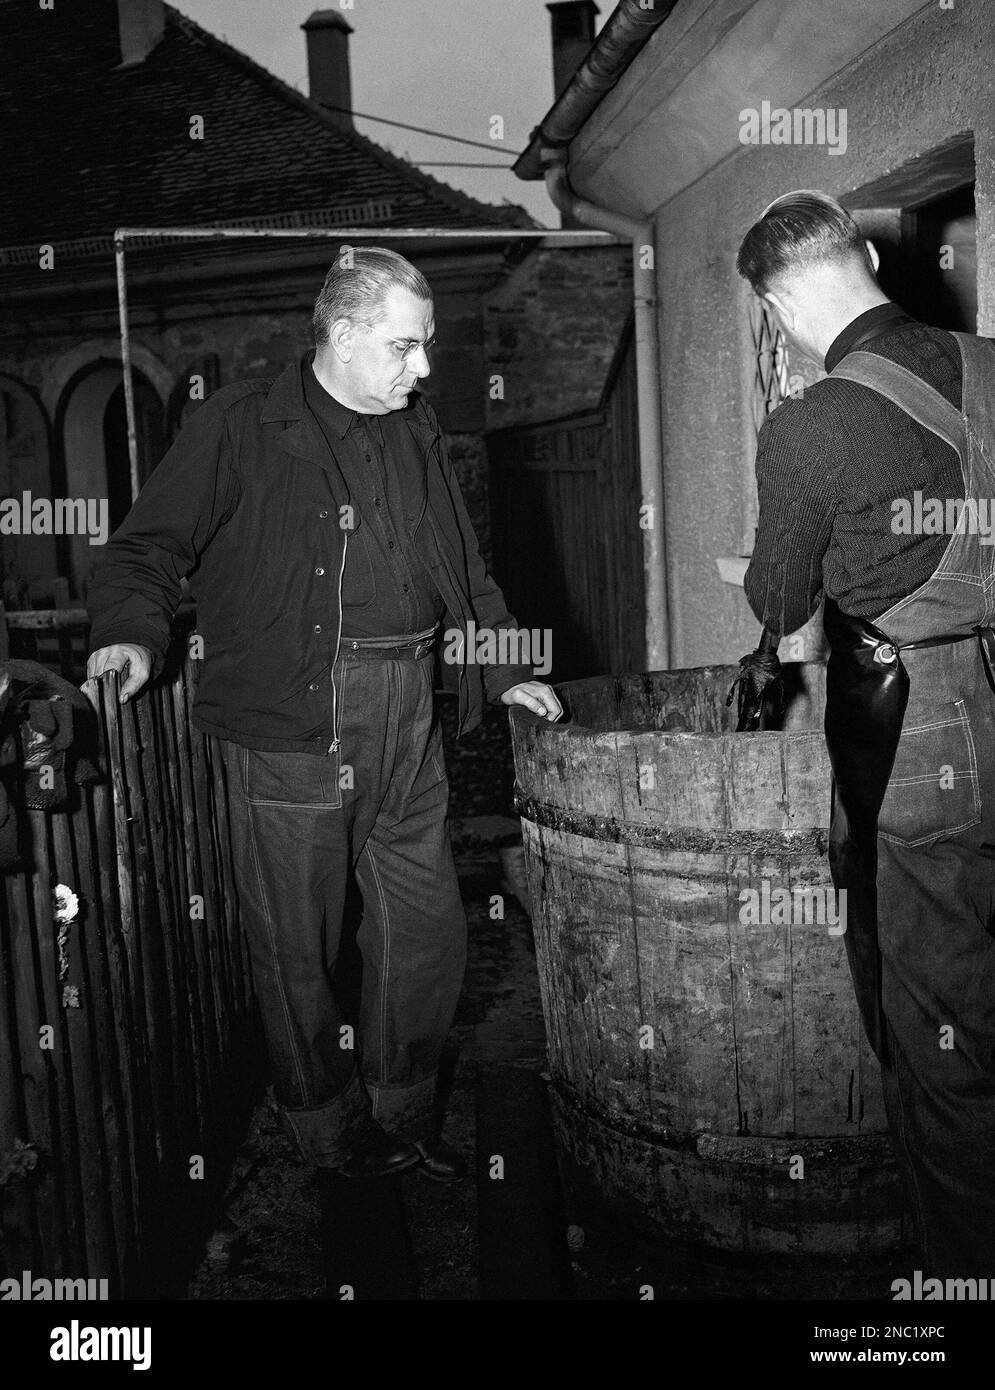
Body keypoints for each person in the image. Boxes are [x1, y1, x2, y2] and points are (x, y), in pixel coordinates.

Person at [84, 246, 562, 1183]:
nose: (420, 368)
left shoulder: (412, 428)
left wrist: (503, 666)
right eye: (402, 346)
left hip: (409, 704)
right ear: (340, 336)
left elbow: (462, 569)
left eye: (422, 347)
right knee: (296, 942)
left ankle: (402, 1107)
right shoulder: (243, 424)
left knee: (426, 926)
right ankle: (324, 1126)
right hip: (298, 714)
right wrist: (133, 638)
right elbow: (143, 551)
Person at [737, 191, 995, 1277]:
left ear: (782, 298)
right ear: (862, 261)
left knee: (939, 1026)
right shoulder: (987, 361)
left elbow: (775, 595)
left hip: (917, 727)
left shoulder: (811, 423)